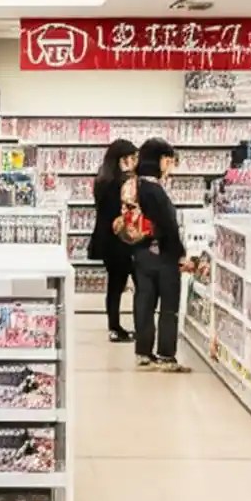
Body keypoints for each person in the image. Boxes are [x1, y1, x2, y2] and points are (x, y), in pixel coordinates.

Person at [130, 138, 193, 372]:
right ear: (159, 161)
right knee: (168, 306)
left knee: (144, 302)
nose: (170, 166)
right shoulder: (156, 190)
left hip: (141, 253)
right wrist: (180, 256)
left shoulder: (135, 186)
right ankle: (166, 355)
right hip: (163, 256)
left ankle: (143, 352)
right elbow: (168, 226)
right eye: (168, 160)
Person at [87, 139, 138, 343]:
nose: (133, 162)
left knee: (115, 285)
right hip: (120, 240)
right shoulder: (121, 183)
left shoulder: (102, 179)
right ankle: (119, 328)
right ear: (121, 159)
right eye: (130, 158)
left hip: (106, 239)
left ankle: (114, 326)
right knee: (132, 284)